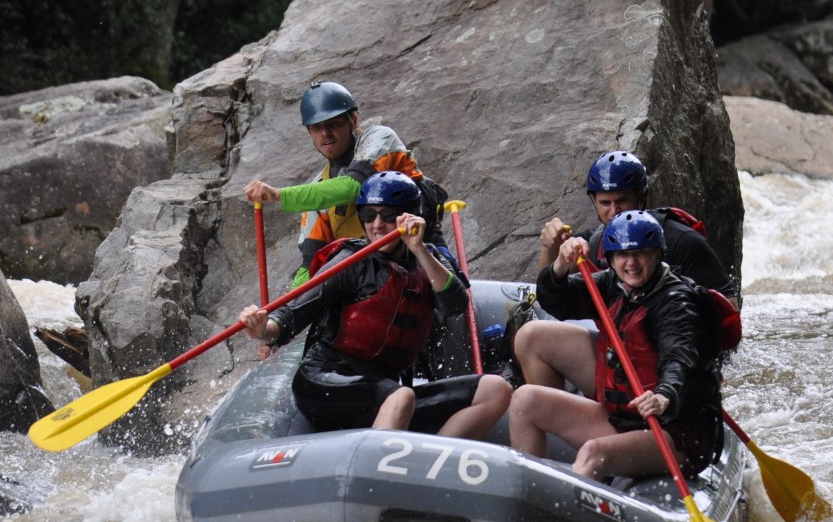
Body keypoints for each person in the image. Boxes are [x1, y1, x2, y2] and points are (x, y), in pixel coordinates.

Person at [239, 171, 510, 439]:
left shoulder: (430, 258)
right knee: (401, 396)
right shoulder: (352, 260)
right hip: (326, 381)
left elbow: (455, 304)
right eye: (369, 215)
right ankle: (380, 474)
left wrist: (419, 249)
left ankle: (432, 465)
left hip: (385, 391)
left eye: (389, 216)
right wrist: (264, 329)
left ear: (410, 217)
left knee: (495, 390)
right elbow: (292, 314)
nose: (377, 225)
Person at [509, 211, 723, 480]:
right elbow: (556, 301)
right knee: (524, 400)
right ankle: (529, 492)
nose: (631, 263)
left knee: (592, 453)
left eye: (640, 254)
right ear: (611, 258)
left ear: (657, 254)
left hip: (673, 430)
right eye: (622, 255)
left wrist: (664, 394)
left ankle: (566, 515)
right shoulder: (615, 283)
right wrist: (561, 265)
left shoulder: (678, 303)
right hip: (624, 418)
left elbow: (679, 356)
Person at [516, 150, 735, 393]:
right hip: (618, 353)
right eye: (605, 204)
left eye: (622, 201)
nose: (614, 212)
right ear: (595, 203)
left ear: (641, 197)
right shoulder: (596, 243)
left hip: (671, 363)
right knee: (530, 336)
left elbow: (726, 310)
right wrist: (553, 250)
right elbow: (552, 298)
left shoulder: (683, 241)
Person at [243, 81, 447, 287]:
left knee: (453, 298)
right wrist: (284, 312)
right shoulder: (320, 189)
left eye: (333, 123)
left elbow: (352, 186)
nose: (325, 133)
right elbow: (309, 266)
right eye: (317, 127)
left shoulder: (380, 138)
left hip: (421, 253)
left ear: (353, 120)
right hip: (369, 279)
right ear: (310, 133)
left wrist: (279, 195)